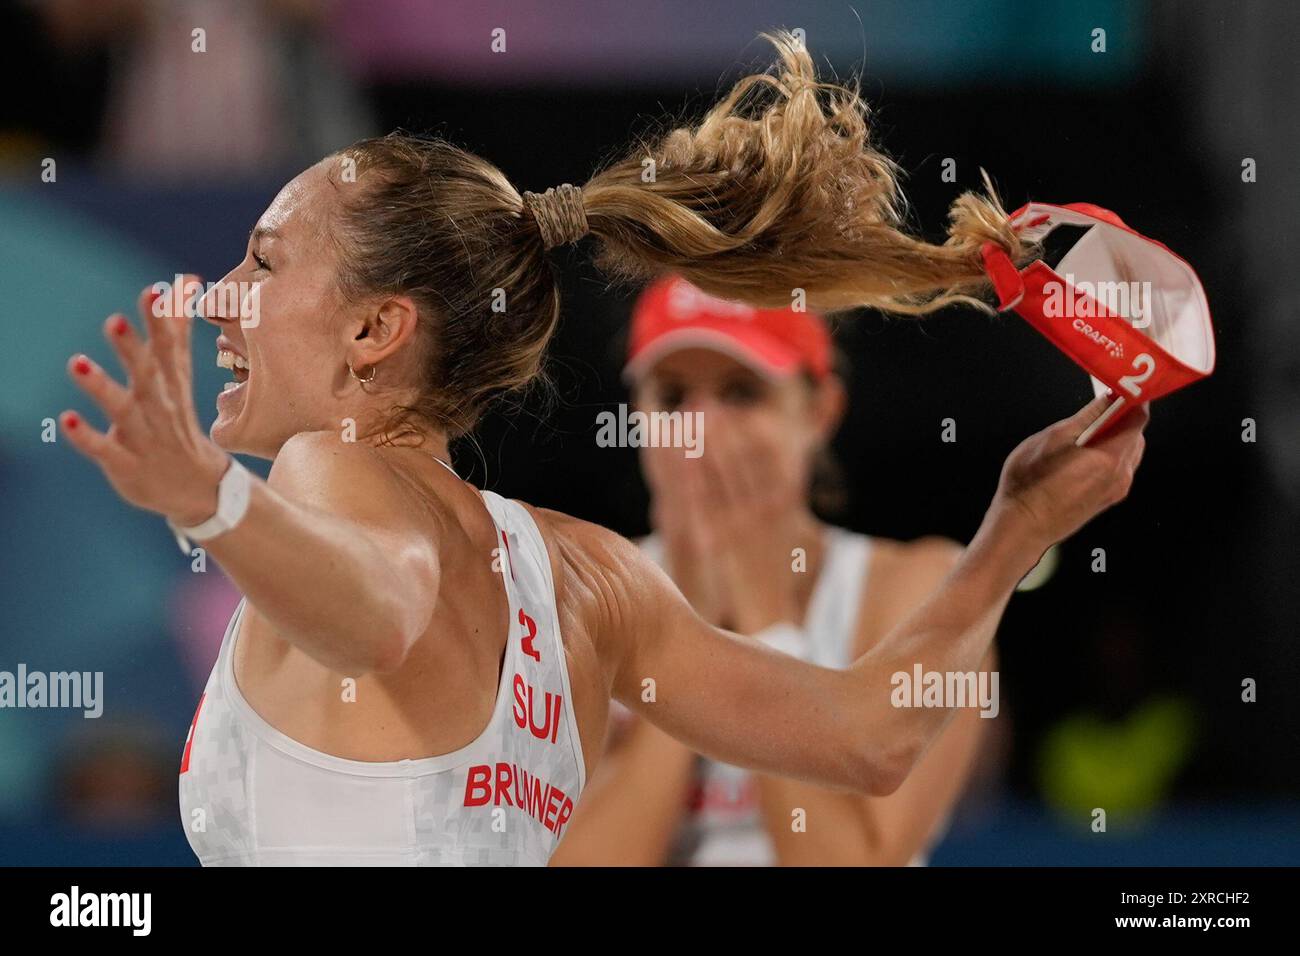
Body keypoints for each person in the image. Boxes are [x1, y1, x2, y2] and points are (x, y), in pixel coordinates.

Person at [59, 32, 1148, 866]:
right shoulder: (592, 577)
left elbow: (384, 609)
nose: (219, 300)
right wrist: (1017, 527)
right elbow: (865, 735)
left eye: (261, 262)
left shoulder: (327, 466)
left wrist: (213, 502)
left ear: (372, 330)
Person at [552, 277, 993, 866]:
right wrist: (682, 621)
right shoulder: (583, 597)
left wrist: (767, 620)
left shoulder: (915, 587)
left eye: (741, 393)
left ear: (819, 410)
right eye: (674, 398)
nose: (700, 431)